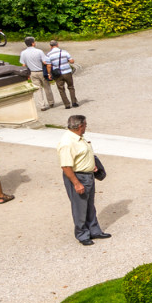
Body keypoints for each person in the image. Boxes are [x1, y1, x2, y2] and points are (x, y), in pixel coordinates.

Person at [58, 113, 109, 246]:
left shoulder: (79, 137)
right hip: (78, 177)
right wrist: (76, 183)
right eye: (85, 124)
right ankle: (82, 234)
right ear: (80, 126)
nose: (86, 127)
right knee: (80, 208)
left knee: (90, 206)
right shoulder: (67, 143)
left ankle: (94, 230)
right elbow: (66, 166)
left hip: (88, 175)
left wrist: (92, 166)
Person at [19, 37, 55, 110]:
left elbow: (23, 65)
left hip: (32, 73)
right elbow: (45, 62)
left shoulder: (23, 53)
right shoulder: (39, 51)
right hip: (41, 72)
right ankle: (51, 102)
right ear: (32, 43)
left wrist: (27, 74)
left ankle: (42, 105)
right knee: (47, 87)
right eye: (34, 42)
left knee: (38, 89)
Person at [44, 40, 79, 109]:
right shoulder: (64, 52)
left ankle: (67, 104)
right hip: (67, 72)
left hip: (57, 74)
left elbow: (48, 66)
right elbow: (72, 61)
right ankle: (74, 102)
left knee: (61, 89)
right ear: (57, 44)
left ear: (50, 46)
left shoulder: (49, 55)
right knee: (71, 87)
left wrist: (49, 74)